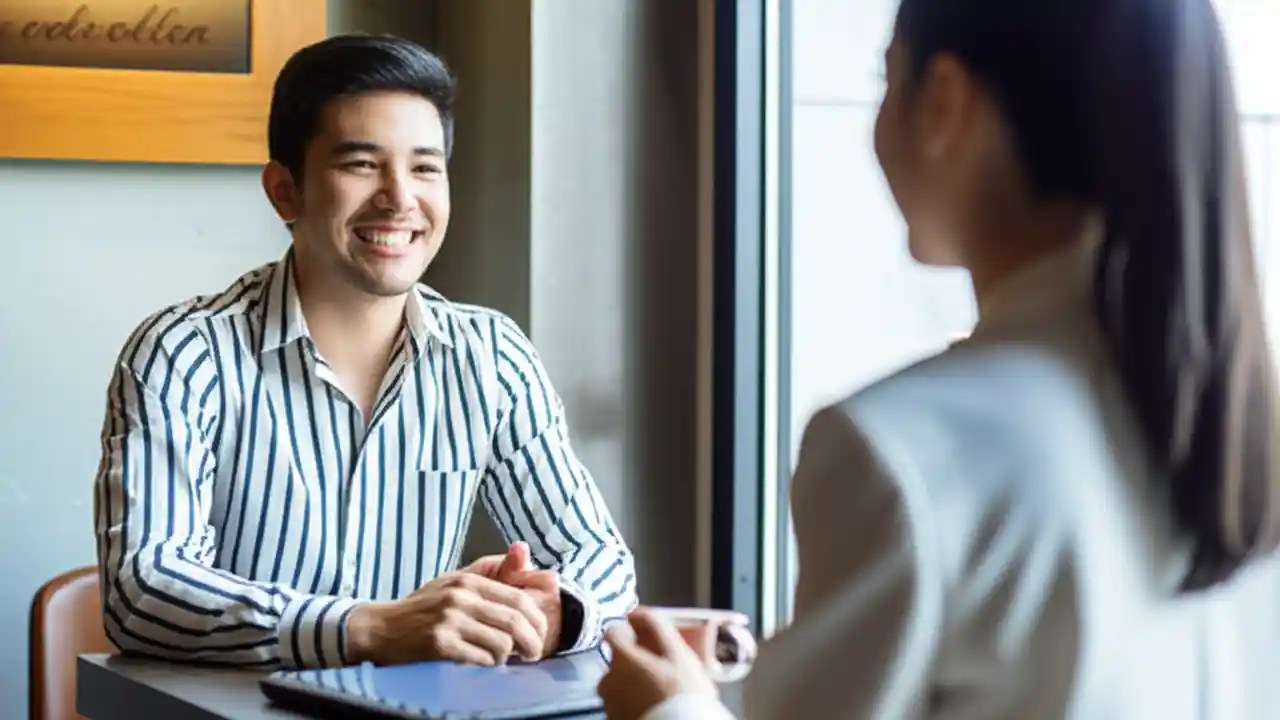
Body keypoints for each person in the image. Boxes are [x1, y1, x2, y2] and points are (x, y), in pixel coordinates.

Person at [600, 0, 1280, 717]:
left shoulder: (900, 452)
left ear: (945, 103)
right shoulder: (1239, 431)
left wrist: (669, 709)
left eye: (885, 78)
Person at [92, 34, 636, 670]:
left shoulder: (492, 357)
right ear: (285, 192)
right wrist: (372, 627)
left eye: (426, 167)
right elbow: (143, 591)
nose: (400, 198)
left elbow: (601, 562)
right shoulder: (183, 355)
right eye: (361, 164)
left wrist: (547, 613)